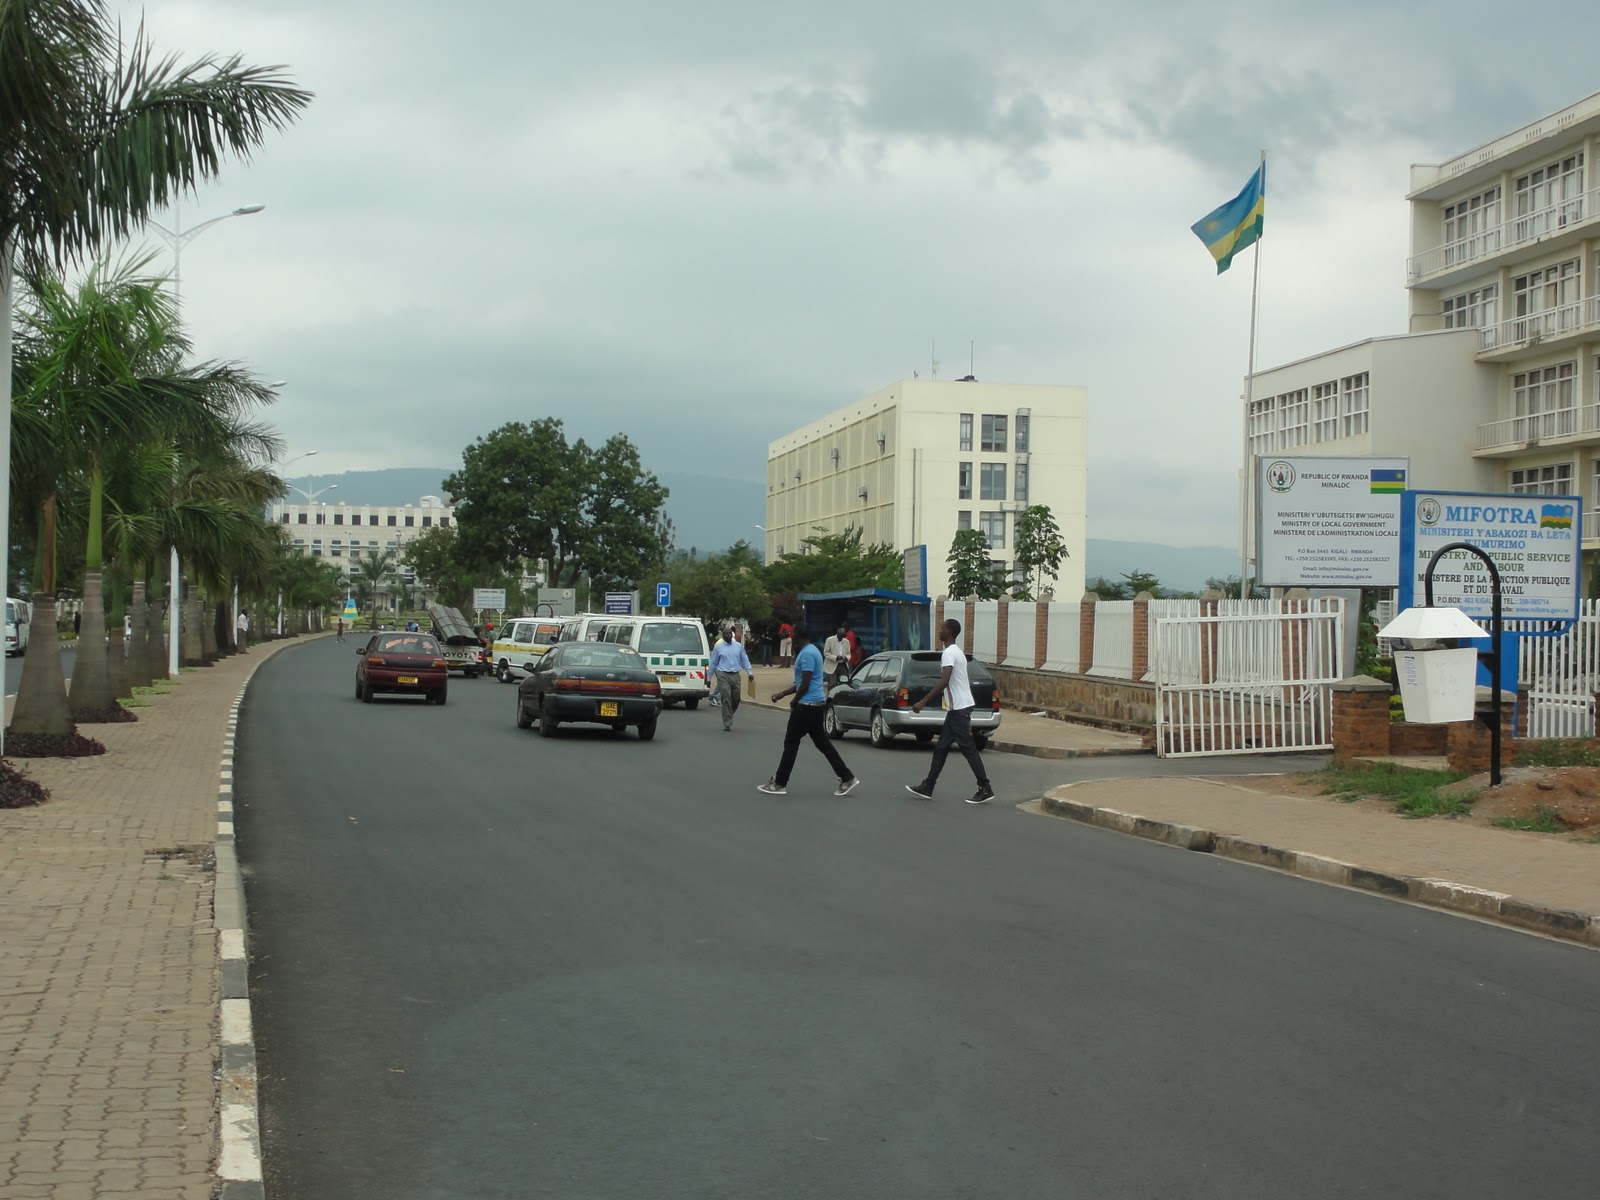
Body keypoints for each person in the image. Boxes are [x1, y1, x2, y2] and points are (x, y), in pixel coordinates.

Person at [758, 627, 858, 797]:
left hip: (806, 706)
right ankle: (847, 777)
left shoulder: (807, 654)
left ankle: (780, 783)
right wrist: (782, 694)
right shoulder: (812, 651)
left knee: (791, 743)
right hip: (815, 705)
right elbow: (801, 683)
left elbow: (805, 683)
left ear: (799, 638)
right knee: (822, 744)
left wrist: (795, 701)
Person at [904, 618, 994, 805]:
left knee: (968, 749)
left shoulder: (949, 653)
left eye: (942, 627)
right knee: (941, 747)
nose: (939, 630)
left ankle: (984, 787)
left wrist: (923, 701)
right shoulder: (955, 652)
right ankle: (928, 786)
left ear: (950, 632)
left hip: (960, 708)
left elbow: (945, 680)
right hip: (958, 707)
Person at [707, 624, 756, 731]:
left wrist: (750, 673)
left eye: (730, 634)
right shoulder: (718, 647)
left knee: (736, 698)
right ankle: (727, 722)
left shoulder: (738, 646)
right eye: (726, 634)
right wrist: (709, 678)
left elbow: (744, 659)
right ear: (723, 635)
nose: (728, 635)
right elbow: (713, 663)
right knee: (725, 697)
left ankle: (729, 713)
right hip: (722, 673)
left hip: (735, 674)